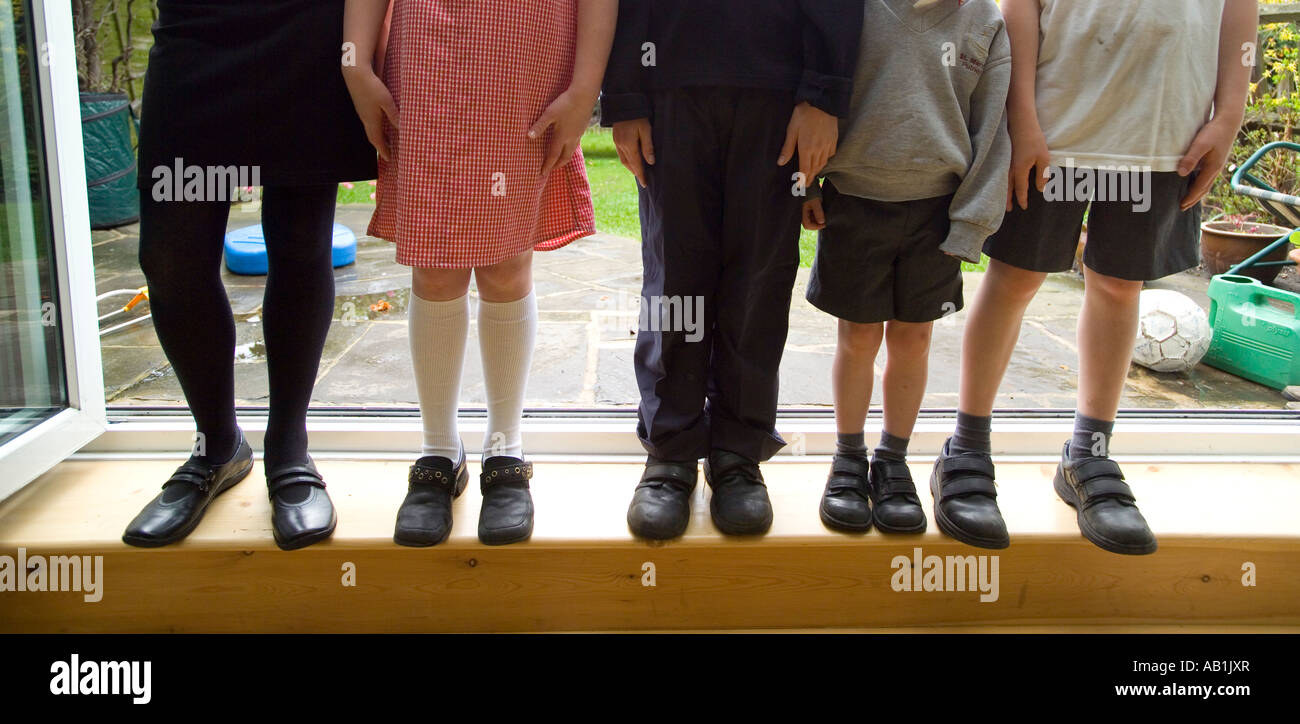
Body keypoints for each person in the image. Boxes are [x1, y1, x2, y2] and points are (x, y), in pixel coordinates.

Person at [932, 0, 1257, 553]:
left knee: (1118, 287)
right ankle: (966, 446)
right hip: (1054, 136)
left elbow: (1238, 12)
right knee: (1014, 279)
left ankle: (1089, 453)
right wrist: (1023, 119)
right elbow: (1019, 11)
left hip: (1163, 140)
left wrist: (1229, 115)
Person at [343, 0, 615, 546]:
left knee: (507, 266)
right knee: (436, 267)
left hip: (528, 57)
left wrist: (585, 88)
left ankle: (506, 447)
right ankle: (439, 449)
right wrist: (356, 65)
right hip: (427, 59)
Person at [603, 0, 862, 539]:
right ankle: (671, 449)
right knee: (674, 278)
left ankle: (737, 451)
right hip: (667, 83)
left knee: (758, 281)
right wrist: (625, 94)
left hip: (780, 93)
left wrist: (822, 93)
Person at [122, 1, 376, 551]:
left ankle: (289, 448)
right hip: (195, 36)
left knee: (301, 245)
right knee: (171, 258)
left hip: (306, 35)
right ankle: (218, 446)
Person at [803, 0, 1011, 535]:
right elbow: (813, 95)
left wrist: (971, 223)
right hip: (853, 200)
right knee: (857, 337)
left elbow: (992, 131)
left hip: (936, 213)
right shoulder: (853, 11)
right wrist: (806, 184)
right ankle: (848, 458)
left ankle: (892, 460)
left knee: (914, 340)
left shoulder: (984, 21)